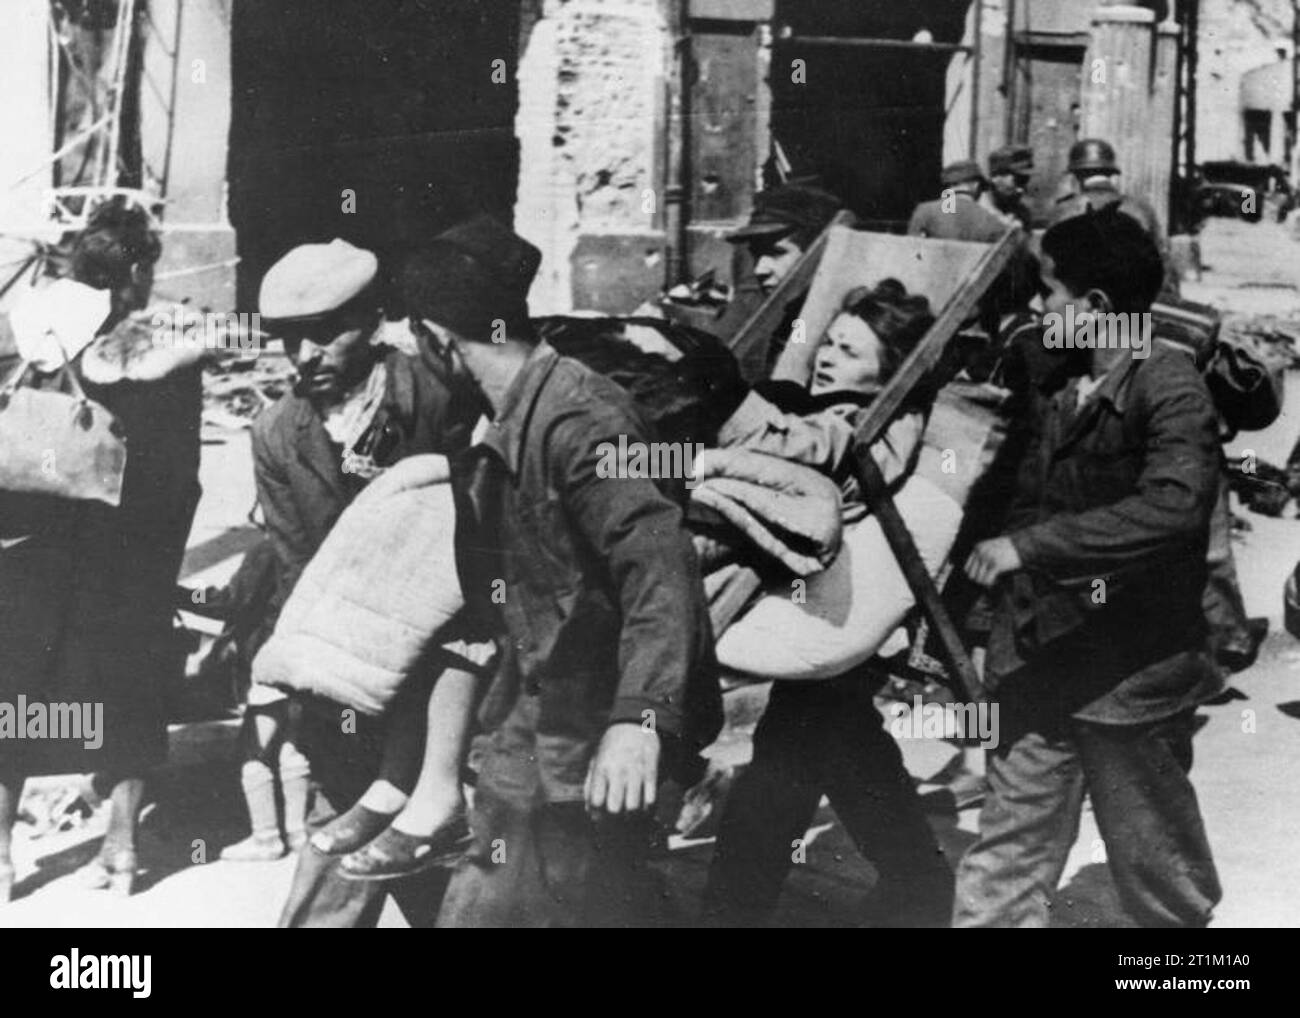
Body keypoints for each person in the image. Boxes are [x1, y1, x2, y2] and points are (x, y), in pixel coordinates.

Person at [400, 214, 723, 928]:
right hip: (538, 711)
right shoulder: (496, 417)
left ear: (438, 341)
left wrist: (641, 721)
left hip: (601, 721)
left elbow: (660, 567)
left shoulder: (583, 423)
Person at [954, 206, 1223, 928]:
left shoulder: (1167, 386)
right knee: (1005, 863)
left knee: (1156, 875)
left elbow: (1175, 507)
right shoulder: (1052, 380)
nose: (1039, 309)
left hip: (1131, 677)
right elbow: (1006, 495)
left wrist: (1034, 550)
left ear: (1095, 307)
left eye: (1049, 292)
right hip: (1039, 658)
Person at [701, 279, 957, 927]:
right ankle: (919, 881)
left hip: (838, 594)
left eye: (848, 350)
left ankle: (732, 915)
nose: (827, 355)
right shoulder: (833, 406)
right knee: (835, 739)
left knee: (788, 758)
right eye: (829, 342)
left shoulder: (872, 420)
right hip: (820, 594)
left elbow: (826, 454)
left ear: (887, 372)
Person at [247, 240, 481, 925]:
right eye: (289, 340)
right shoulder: (276, 433)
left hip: (449, 682)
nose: (304, 357)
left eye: (325, 334)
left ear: (374, 321)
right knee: (341, 848)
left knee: (456, 865)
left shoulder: (437, 394)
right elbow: (295, 568)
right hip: (350, 682)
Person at [0, 197, 202, 900]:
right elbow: (179, 476)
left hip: (26, 541)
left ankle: (0, 856)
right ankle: (120, 850)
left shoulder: (22, 330)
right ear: (139, 269)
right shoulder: (158, 347)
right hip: (125, 546)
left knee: (18, 680)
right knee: (130, 681)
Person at [908, 160, 1009, 243]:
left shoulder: (924, 211)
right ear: (976, 185)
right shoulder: (992, 221)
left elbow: (912, 254)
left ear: (948, 185)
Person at [986, 145, 1035, 230]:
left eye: (1023, 180)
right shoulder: (984, 204)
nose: (1020, 187)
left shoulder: (1022, 211)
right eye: (1019, 178)